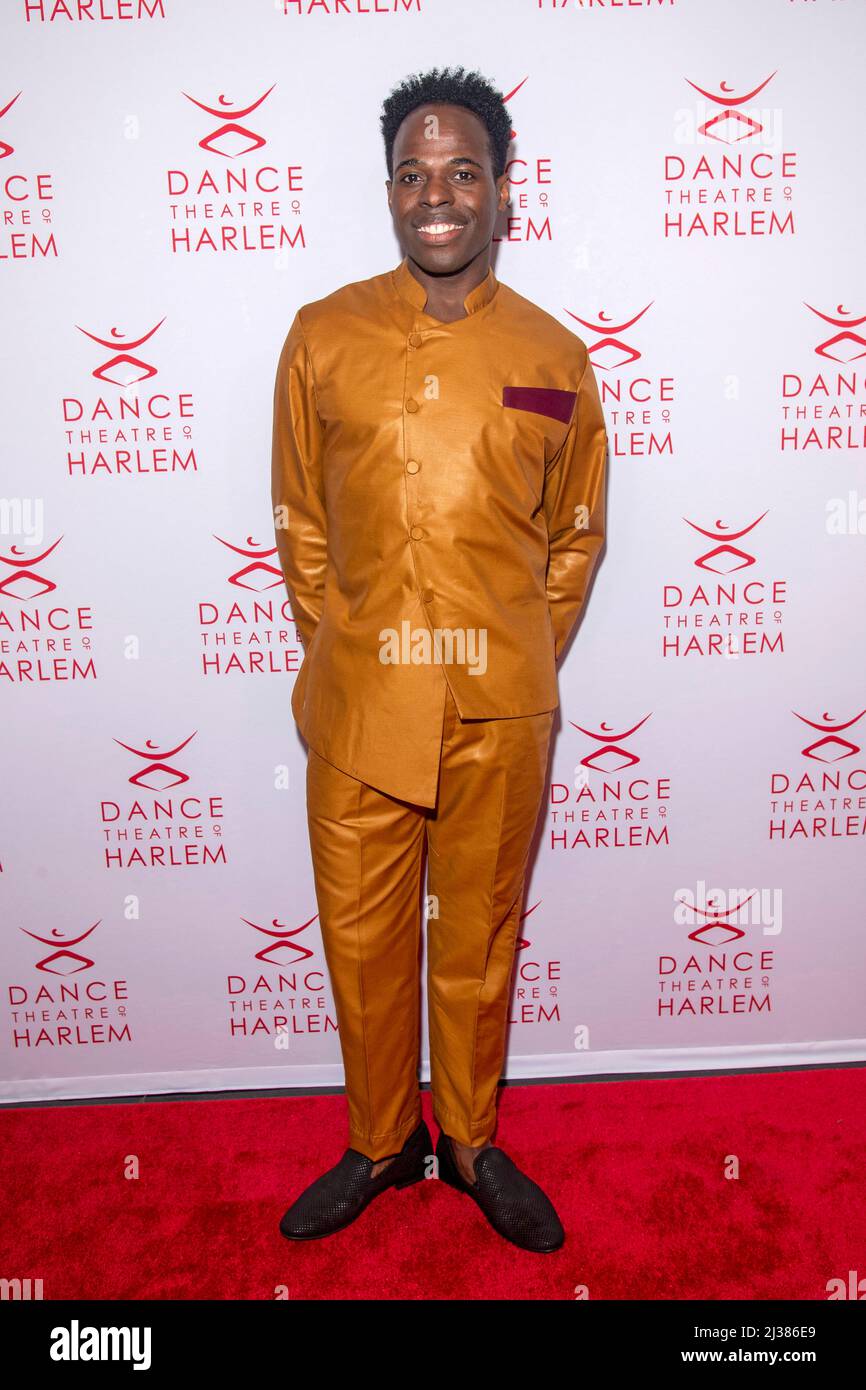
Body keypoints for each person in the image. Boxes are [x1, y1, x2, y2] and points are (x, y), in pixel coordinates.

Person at [270, 65, 607, 1253]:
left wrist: (508, 652)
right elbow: (301, 527)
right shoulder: (320, 336)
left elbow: (573, 538)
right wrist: (357, 652)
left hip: (499, 709)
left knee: (479, 931)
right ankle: (379, 1142)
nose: (437, 195)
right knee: (360, 940)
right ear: (388, 192)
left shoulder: (555, 360)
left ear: (502, 191)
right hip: (359, 703)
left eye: (462, 170)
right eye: (412, 174)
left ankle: (467, 1138)